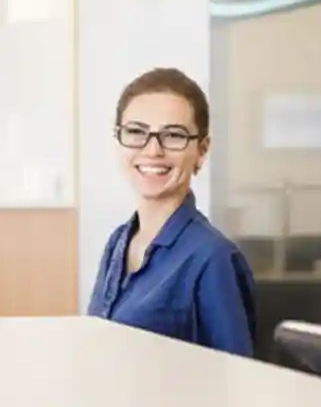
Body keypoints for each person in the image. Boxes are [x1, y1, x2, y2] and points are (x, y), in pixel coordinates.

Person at [87, 68, 255, 356]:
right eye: (136, 132)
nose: (153, 150)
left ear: (201, 150)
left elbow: (237, 375)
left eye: (174, 136)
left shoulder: (212, 258)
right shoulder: (118, 242)